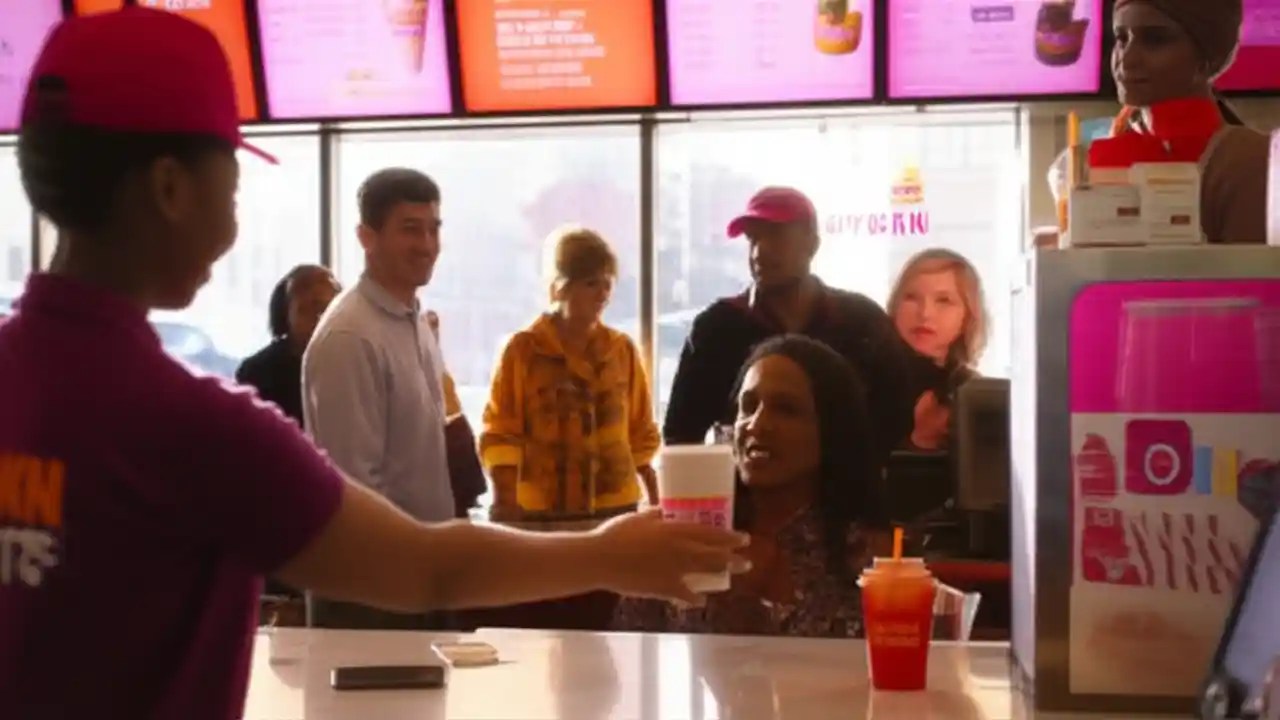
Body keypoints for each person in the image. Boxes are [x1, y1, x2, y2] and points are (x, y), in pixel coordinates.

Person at [0, 9, 747, 719]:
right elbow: (424, 564)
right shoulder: (194, 430)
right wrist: (606, 555)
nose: (234, 213)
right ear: (170, 188)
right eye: (230, 176)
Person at [617, 335, 888, 637]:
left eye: (786, 409)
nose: (756, 424)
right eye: (748, 407)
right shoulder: (688, 535)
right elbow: (631, 647)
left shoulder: (865, 553)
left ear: (830, 429)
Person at [301, 168, 465, 629]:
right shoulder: (350, 335)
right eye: (410, 229)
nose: (427, 244)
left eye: (434, 228)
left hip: (422, 576)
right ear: (366, 237)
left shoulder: (413, 320)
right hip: (371, 590)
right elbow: (354, 488)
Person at [474, 227, 661, 630]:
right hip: (542, 520)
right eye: (591, 282)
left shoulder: (621, 350)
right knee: (549, 627)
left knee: (609, 626)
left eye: (607, 283)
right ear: (560, 287)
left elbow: (640, 433)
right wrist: (505, 500)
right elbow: (501, 429)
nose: (603, 293)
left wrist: (656, 498)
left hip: (615, 514)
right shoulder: (523, 350)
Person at [663, 186, 929, 467]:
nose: (759, 252)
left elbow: (897, 415)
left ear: (812, 244)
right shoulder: (717, 328)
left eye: (776, 236)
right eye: (753, 238)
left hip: (844, 499)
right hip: (748, 499)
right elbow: (681, 436)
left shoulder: (861, 321)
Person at [1109, 0, 1268, 243]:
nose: (1127, 59)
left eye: (1154, 40)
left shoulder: (1250, 161)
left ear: (1206, 60)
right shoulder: (1112, 148)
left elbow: (1249, 278)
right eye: (1121, 38)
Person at [886, 249, 988, 450]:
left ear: (968, 315)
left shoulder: (974, 395)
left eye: (944, 300)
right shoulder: (864, 383)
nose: (925, 313)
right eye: (911, 298)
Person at [235, 264, 340, 426]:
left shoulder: (354, 362)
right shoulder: (257, 371)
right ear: (285, 315)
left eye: (327, 310)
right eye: (307, 310)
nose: (320, 320)